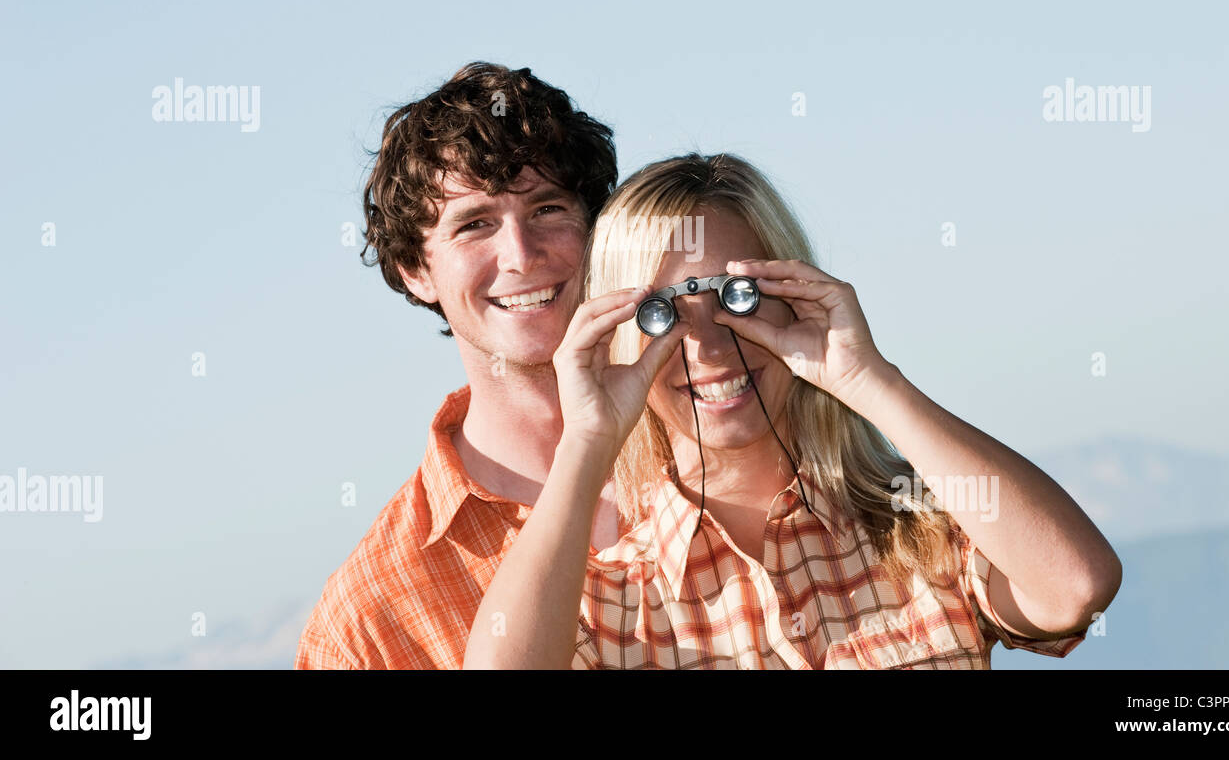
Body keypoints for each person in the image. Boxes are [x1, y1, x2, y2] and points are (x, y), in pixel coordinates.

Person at [464, 152, 1123, 669]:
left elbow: (1076, 584)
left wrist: (868, 379)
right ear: (616, 335)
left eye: (738, 295)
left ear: (798, 294)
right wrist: (588, 439)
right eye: (660, 314)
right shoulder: (608, 604)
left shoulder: (920, 533)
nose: (709, 343)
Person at [295, 61, 624, 669]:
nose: (521, 256)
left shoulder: (724, 441)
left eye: (548, 209)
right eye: (474, 225)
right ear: (415, 272)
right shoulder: (370, 619)